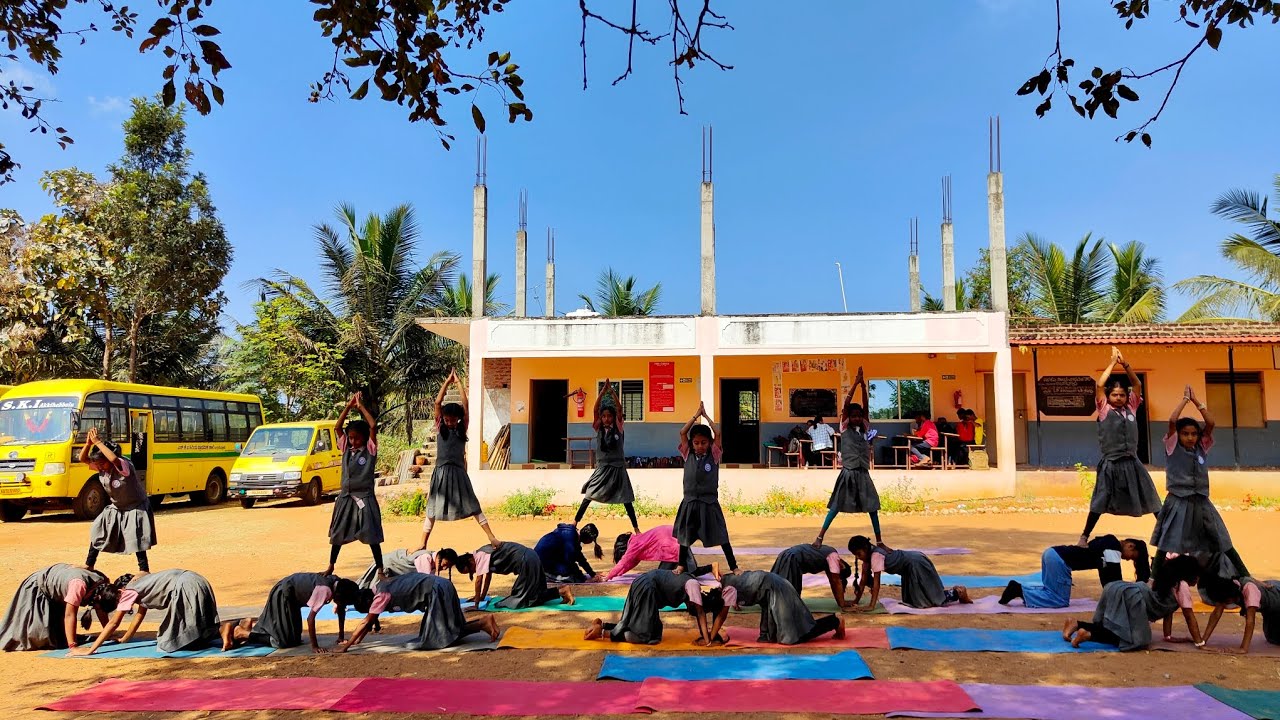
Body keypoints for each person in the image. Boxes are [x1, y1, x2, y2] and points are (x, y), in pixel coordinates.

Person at [1150, 385, 1248, 579]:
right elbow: (1172, 420)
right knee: (1167, 541)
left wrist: (1197, 402)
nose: (1190, 437)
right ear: (1178, 435)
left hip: (1201, 501)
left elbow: (1210, 422)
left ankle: (1245, 576)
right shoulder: (1172, 446)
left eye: (1194, 434)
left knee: (1221, 538)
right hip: (1178, 500)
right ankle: (1154, 579)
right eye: (1185, 433)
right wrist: (1185, 400)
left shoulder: (1201, 447)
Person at [1079, 347, 1161, 546]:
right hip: (1111, 464)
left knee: (1152, 498)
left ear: (1127, 397)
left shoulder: (1131, 407)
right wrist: (1112, 363)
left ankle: (1166, 535)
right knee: (1100, 501)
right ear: (1109, 396)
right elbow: (1100, 384)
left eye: (1122, 395)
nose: (1118, 398)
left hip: (1132, 462)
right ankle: (1084, 536)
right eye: (1115, 395)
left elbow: (1137, 383)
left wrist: (1125, 364)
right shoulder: (1104, 409)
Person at [415, 370, 501, 552]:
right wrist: (447, 382)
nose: (450, 423)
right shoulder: (440, 428)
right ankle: (422, 542)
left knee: (473, 504)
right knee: (432, 508)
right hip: (441, 473)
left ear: (459, 419)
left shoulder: (462, 429)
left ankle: (491, 536)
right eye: (447, 420)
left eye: (453, 420)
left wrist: (460, 384)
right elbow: (438, 403)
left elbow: (466, 405)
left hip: (459, 472)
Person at [70, 569, 239, 655]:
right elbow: (140, 615)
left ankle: (221, 630)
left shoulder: (127, 592)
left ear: (117, 595)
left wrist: (92, 649)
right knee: (197, 629)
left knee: (168, 642)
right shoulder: (142, 585)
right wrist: (125, 639)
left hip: (185, 587)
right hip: (197, 580)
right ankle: (232, 630)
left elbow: (114, 622)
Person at [1063, 554, 1204, 650]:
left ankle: (1077, 624)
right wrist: (1200, 643)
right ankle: (1089, 635)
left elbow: (1168, 611)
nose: (1197, 580)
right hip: (1133, 597)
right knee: (1136, 640)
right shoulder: (1182, 586)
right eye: (1197, 576)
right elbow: (1189, 617)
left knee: (1115, 626)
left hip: (1118, 588)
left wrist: (1168, 636)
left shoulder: (1168, 579)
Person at [336, 572, 499, 653]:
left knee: (435, 638)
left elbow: (366, 621)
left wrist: (347, 646)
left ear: (368, 601)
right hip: (440, 587)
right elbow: (370, 620)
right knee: (445, 630)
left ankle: (482, 623)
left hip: (437, 591)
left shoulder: (380, 596)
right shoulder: (379, 587)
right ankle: (482, 623)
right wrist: (358, 641)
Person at [815, 367, 882, 545]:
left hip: (863, 472)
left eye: (859, 416)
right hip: (848, 472)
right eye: (853, 416)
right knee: (835, 507)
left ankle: (880, 541)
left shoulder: (865, 427)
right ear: (848, 418)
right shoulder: (844, 427)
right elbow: (846, 405)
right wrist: (855, 383)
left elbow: (866, 407)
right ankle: (820, 537)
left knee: (873, 507)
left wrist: (864, 387)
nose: (857, 418)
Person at [323, 392, 385, 579]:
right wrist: (348, 407)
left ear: (365, 438)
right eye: (351, 438)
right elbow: (337, 426)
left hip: (364, 498)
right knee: (338, 535)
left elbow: (373, 425)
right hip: (346, 498)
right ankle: (331, 566)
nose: (353, 441)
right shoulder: (345, 450)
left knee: (372, 535)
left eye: (357, 438)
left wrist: (361, 407)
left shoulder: (370, 450)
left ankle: (381, 569)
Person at [672, 402, 738, 575]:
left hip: (709, 503)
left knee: (722, 536)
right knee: (685, 537)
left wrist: (706, 416)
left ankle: (734, 566)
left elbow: (718, 432)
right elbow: (682, 432)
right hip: (690, 502)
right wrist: (696, 415)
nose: (700, 446)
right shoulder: (687, 454)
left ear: (709, 443)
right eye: (696, 443)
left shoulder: (714, 455)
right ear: (692, 444)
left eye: (703, 442)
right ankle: (681, 565)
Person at [80, 428, 156, 573]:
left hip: (135, 506)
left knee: (136, 536)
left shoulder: (123, 464)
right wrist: (88, 444)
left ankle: (144, 569)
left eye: (102, 463)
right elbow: (82, 459)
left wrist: (98, 442)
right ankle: (89, 564)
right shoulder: (102, 468)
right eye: (98, 464)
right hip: (117, 506)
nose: (99, 466)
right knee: (98, 530)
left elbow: (114, 459)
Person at [999, 536, 1150, 608]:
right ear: (1130, 546)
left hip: (1052, 553)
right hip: (1059, 560)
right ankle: (1019, 590)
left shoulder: (1106, 543)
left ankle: (1019, 589)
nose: (1127, 560)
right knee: (1059, 600)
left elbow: (1107, 579)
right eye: (1132, 558)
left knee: (1050, 591)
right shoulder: (1113, 546)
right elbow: (1114, 581)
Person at [707, 570, 846, 645]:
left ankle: (835, 621)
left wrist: (710, 638)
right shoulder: (724, 581)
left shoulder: (728, 590)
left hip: (777, 590)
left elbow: (722, 615)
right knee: (766, 638)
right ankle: (833, 621)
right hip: (769, 593)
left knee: (794, 637)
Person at [583, 568, 716, 645]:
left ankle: (604, 625)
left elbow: (698, 612)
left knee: (655, 631)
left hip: (644, 583)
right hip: (646, 587)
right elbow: (700, 613)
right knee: (643, 635)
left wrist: (705, 637)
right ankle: (601, 633)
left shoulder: (690, 585)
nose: (688, 608)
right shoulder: (693, 586)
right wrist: (707, 640)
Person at [576, 380, 640, 533]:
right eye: (603, 416)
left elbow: (619, 408)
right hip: (602, 468)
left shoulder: (618, 427)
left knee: (626, 500)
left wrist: (612, 392)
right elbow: (595, 409)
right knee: (589, 495)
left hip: (618, 468)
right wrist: (602, 392)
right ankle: (574, 522)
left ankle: (636, 529)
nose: (606, 419)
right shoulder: (598, 428)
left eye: (609, 416)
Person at [240, 573, 363, 652]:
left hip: (293, 599)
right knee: (281, 642)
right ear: (340, 596)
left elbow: (341, 609)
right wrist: (315, 646)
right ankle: (242, 633)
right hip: (283, 594)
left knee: (294, 639)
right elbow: (310, 619)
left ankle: (251, 625)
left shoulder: (338, 584)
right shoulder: (324, 590)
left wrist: (340, 637)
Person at [0, 564, 110, 651]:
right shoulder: (78, 586)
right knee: (37, 638)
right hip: (39, 588)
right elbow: (70, 615)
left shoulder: (104, 584)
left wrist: (108, 633)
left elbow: (101, 610)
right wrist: (73, 647)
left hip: (57, 593)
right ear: (98, 598)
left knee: (57, 636)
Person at [847, 535, 971, 610]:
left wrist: (871, 606)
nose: (858, 557)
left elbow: (876, 584)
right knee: (915, 600)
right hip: (909, 568)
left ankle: (958, 592)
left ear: (866, 549)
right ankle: (952, 593)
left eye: (859, 553)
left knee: (930, 602)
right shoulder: (868, 559)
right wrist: (855, 601)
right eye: (855, 555)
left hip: (916, 563)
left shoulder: (876, 556)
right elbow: (863, 582)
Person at [455, 542, 574, 609]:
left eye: (471, 570)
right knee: (533, 593)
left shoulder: (480, 556)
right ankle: (562, 591)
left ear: (470, 561)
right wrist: (480, 597)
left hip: (527, 561)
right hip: (530, 559)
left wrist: (476, 605)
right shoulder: (482, 554)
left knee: (517, 599)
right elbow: (487, 578)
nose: (475, 572)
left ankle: (562, 591)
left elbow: (479, 581)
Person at [1200, 575, 1280, 654]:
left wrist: (1243, 648)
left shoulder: (1250, 591)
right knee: (1272, 639)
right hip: (1270, 608)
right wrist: (1202, 641)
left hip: (1276, 594)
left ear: (1231, 599)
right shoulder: (1228, 588)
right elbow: (1216, 614)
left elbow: (1250, 621)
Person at [605, 526, 712, 581]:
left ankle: (711, 567)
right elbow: (630, 563)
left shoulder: (634, 545)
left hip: (673, 547)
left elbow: (624, 562)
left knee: (663, 577)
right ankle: (712, 567)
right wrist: (615, 574)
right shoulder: (636, 541)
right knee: (691, 572)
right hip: (676, 543)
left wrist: (608, 577)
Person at [769, 544, 854, 610]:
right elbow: (836, 581)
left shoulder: (830, 559)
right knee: (787, 591)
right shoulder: (833, 557)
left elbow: (833, 583)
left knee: (782, 587)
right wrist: (842, 604)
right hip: (791, 558)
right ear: (842, 566)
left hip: (788, 556)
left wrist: (841, 602)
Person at [534, 522, 603, 584]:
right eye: (591, 540)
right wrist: (582, 579)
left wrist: (592, 574)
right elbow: (570, 563)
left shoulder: (571, 535)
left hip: (541, 560)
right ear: (587, 538)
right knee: (569, 574)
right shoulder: (570, 539)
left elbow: (580, 559)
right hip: (542, 565)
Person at [359, 548, 461, 589]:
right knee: (367, 588)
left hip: (393, 569)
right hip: (387, 565)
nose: (445, 568)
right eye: (445, 564)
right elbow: (427, 581)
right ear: (439, 557)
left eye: (448, 566)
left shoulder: (434, 562)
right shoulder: (426, 558)